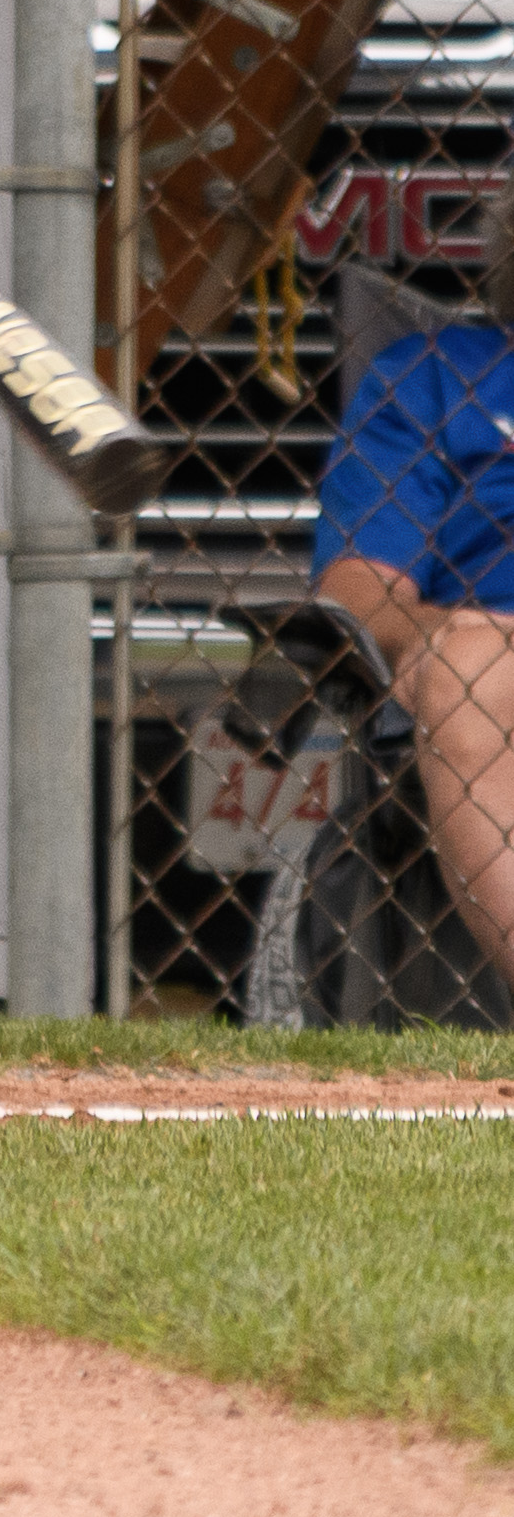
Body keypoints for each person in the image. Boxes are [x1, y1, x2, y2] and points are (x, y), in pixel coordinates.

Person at [312, 180, 514, 989]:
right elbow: (359, 586)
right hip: (501, 661)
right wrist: (436, 636)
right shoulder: (433, 378)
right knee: (464, 671)